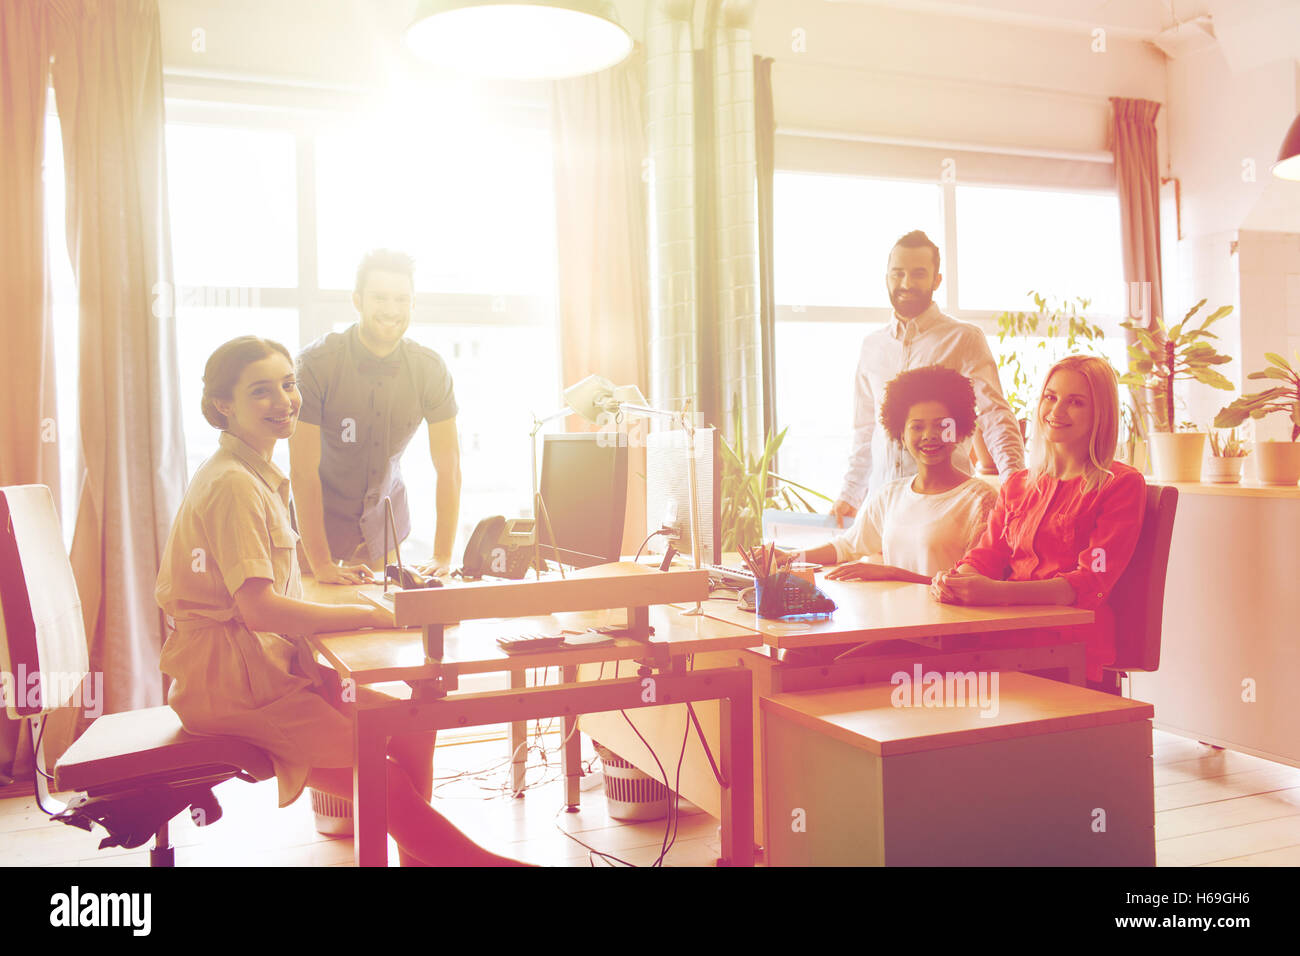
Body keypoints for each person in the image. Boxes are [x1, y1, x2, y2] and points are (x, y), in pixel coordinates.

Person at [156, 336, 524, 865]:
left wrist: (334, 580)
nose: (283, 402)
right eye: (261, 391)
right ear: (223, 405)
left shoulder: (254, 475)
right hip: (234, 688)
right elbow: (260, 611)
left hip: (259, 669)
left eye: (288, 385)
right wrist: (366, 612)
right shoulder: (234, 485)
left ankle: (427, 858)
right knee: (382, 772)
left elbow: (265, 588)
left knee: (415, 723)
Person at [931, 354, 1147, 688]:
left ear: (1099, 413)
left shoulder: (1121, 484)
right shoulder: (1017, 484)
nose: (1057, 412)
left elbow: (1091, 582)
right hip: (1003, 638)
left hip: (1069, 648)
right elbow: (986, 556)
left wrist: (995, 594)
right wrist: (957, 581)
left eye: (1076, 402)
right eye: (1051, 397)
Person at [291, 249, 461, 585]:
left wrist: (443, 555)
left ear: (413, 303)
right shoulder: (315, 364)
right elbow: (302, 471)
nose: (391, 309)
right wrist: (322, 564)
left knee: (381, 629)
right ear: (357, 300)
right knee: (314, 626)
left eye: (401, 299)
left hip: (384, 529)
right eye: (380, 297)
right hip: (315, 535)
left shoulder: (430, 368)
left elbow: (449, 467)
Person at [831, 230, 1024, 526]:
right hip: (882, 514)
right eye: (898, 274)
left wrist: (1014, 483)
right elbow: (865, 431)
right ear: (886, 277)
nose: (906, 283)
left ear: (937, 280)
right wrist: (850, 496)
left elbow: (995, 416)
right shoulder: (871, 347)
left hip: (946, 510)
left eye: (918, 274)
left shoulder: (964, 339)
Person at [794, 366, 996, 584]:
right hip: (895, 617)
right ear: (901, 435)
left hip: (947, 618)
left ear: (958, 431)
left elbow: (972, 584)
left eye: (941, 425)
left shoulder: (980, 499)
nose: (929, 435)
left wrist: (892, 573)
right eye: (917, 427)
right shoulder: (891, 494)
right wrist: (791, 558)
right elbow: (846, 547)